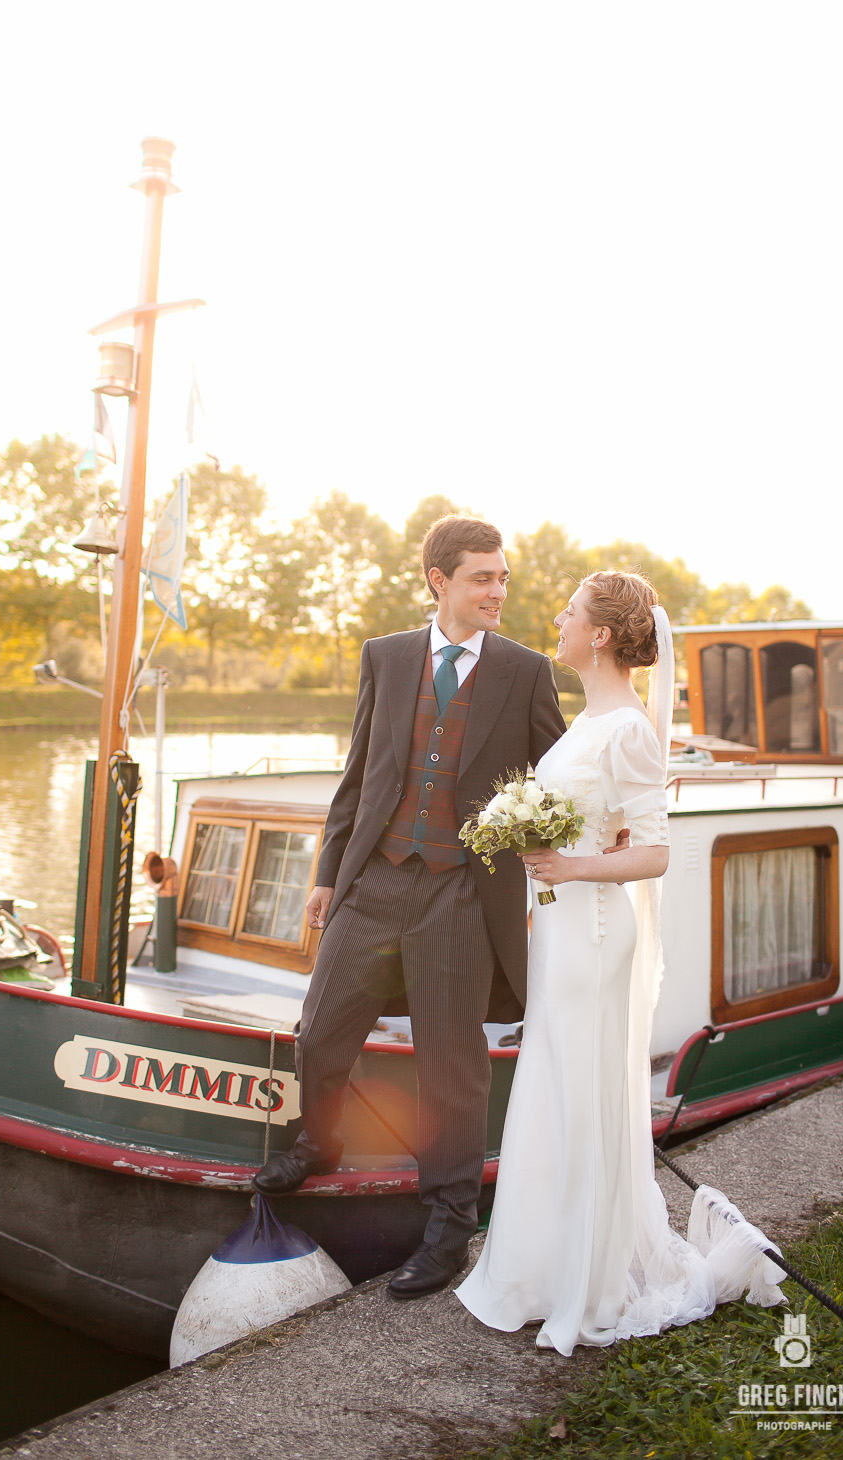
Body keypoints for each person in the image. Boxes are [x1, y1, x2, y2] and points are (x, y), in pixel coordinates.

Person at [456, 570, 785, 1351]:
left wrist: (570, 869)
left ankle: (589, 1280)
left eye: (569, 614)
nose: (558, 623)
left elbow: (658, 853)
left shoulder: (630, 728)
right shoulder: (589, 718)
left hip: (598, 933)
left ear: (599, 636)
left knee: (583, 1092)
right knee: (556, 1089)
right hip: (566, 930)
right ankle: (543, 1268)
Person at [253, 515, 567, 1298]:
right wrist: (330, 871)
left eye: (503, 577)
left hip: (463, 890)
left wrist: (546, 846)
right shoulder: (386, 657)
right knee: (321, 1029)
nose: (499, 591)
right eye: (482, 578)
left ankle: (447, 1229)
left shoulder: (525, 672)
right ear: (440, 582)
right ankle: (319, 1141)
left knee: (451, 1069)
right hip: (376, 878)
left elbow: (560, 780)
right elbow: (359, 772)